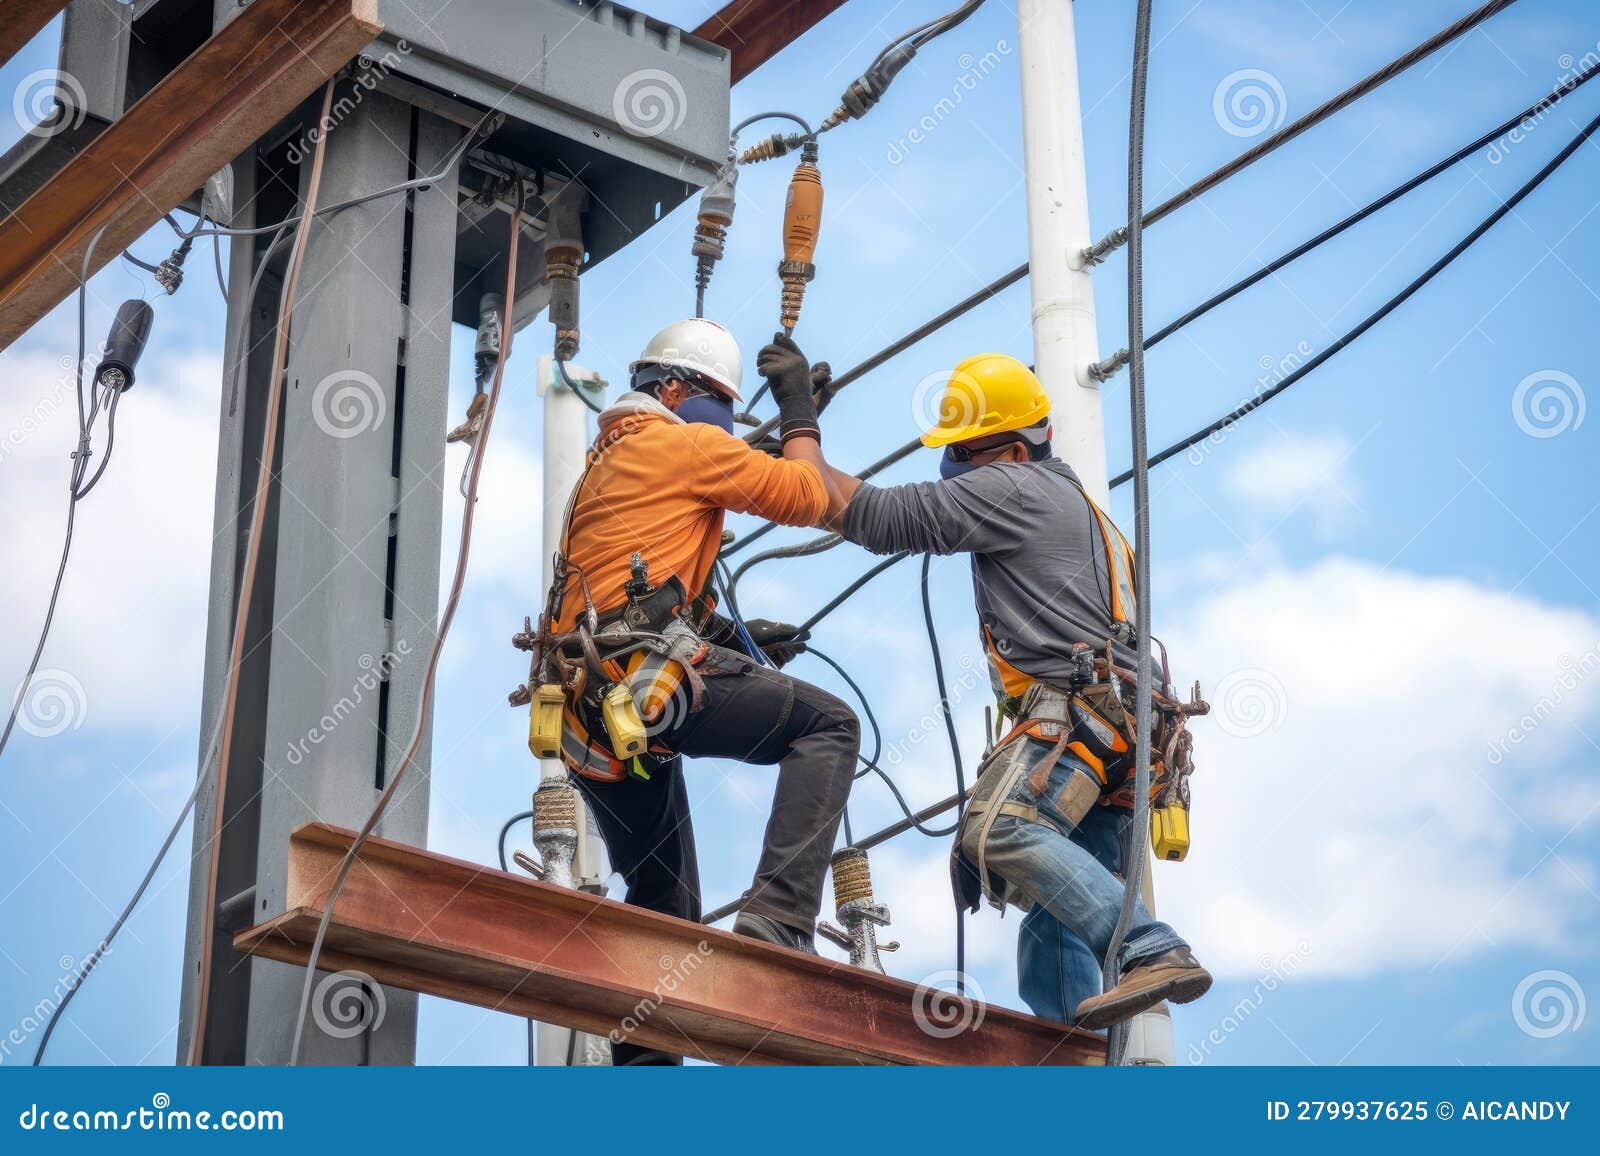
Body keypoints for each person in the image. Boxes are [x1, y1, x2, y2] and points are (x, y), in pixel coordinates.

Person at [823, 352, 1211, 1031]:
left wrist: (801, 432)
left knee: (998, 829)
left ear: (1012, 448)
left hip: (1081, 719)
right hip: (1127, 736)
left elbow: (876, 517)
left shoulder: (1017, 489)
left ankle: (1152, 948)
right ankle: (1069, 1060)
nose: (954, 466)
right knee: (1055, 916)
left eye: (963, 452)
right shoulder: (1077, 507)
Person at [537, 318, 859, 1062]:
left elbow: (632, 588)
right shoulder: (680, 444)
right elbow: (810, 495)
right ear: (676, 392)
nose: (725, 423)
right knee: (829, 727)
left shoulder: (611, 460)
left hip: (593, 713)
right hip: (642, 685)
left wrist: (726, 639)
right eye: (721, 403)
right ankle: (780, 920)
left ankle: (644, 1086)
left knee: (666, 907)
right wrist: (798, 417)